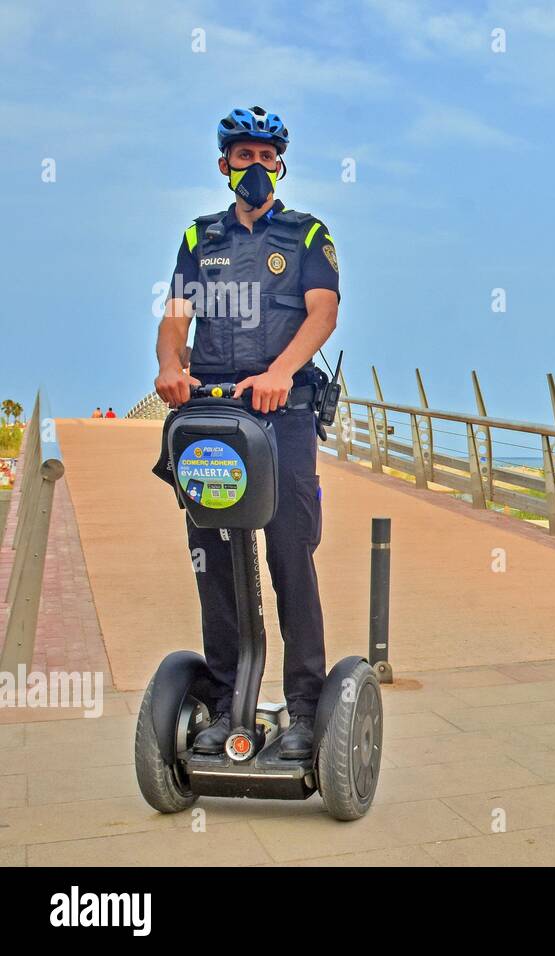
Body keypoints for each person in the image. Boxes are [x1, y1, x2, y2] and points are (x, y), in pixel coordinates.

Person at [153, 107, 340, 759]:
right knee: (215, 559)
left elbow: (323, 313)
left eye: (266, 157)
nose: (255, 167)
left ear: (280, 164)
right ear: (224, 164)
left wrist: (282, 371)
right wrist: (170, 366)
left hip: (281, 415)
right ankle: (230, 699)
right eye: (243, 156)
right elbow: (176, 316)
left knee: (289, 554)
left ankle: (306, 711)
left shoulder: (306, 234)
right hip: (211, 415)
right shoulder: (198, 236)